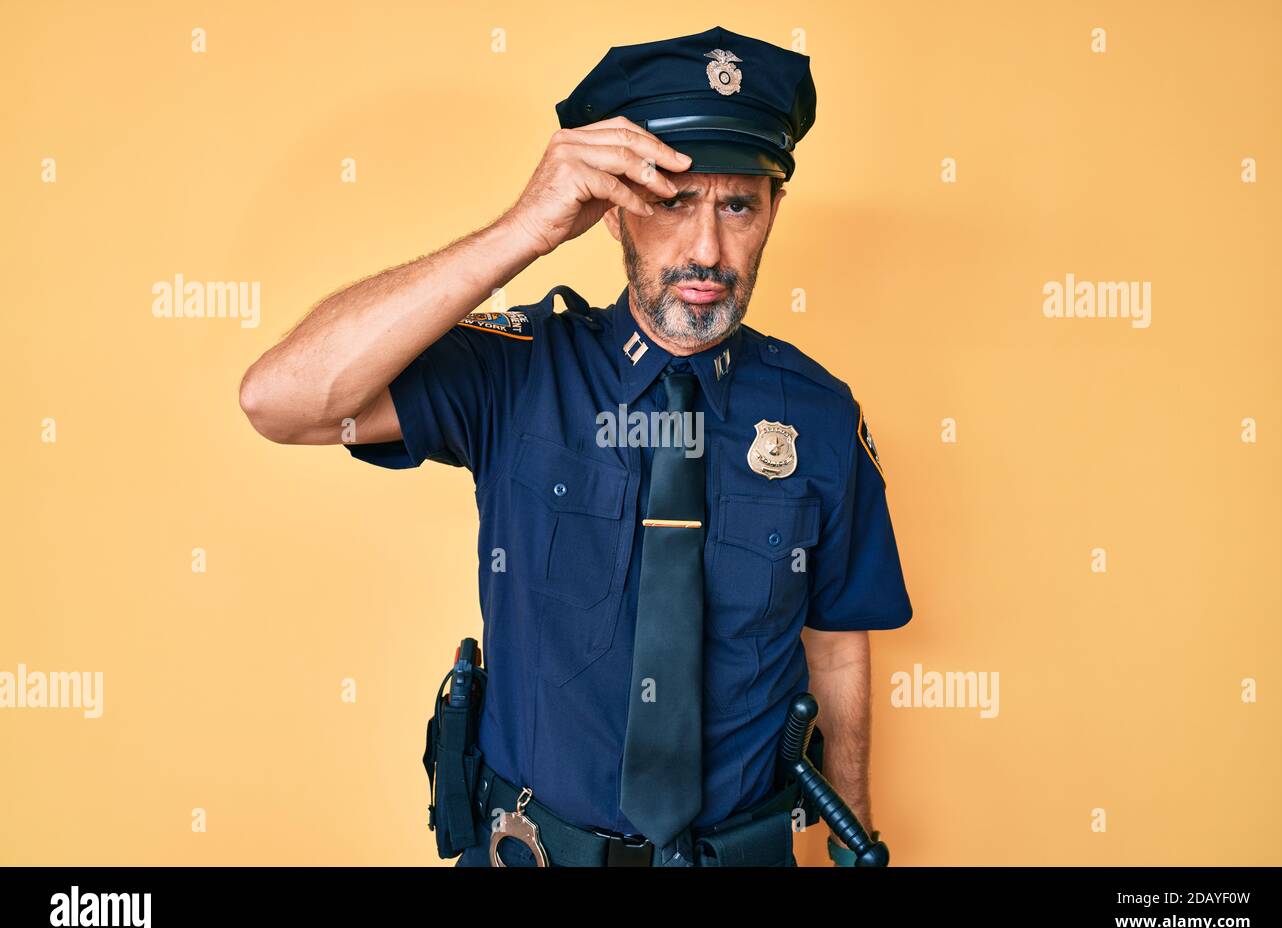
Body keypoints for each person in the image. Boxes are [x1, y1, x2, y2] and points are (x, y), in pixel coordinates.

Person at [238, 25, 912, 867]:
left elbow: (838, 643)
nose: (707, 250)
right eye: (671, 201)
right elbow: (280, 401)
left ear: (774, 209)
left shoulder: (817, 414)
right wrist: (523, 229)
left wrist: (855, 842)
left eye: (736, 203)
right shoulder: (515, 374)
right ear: (612, 213)